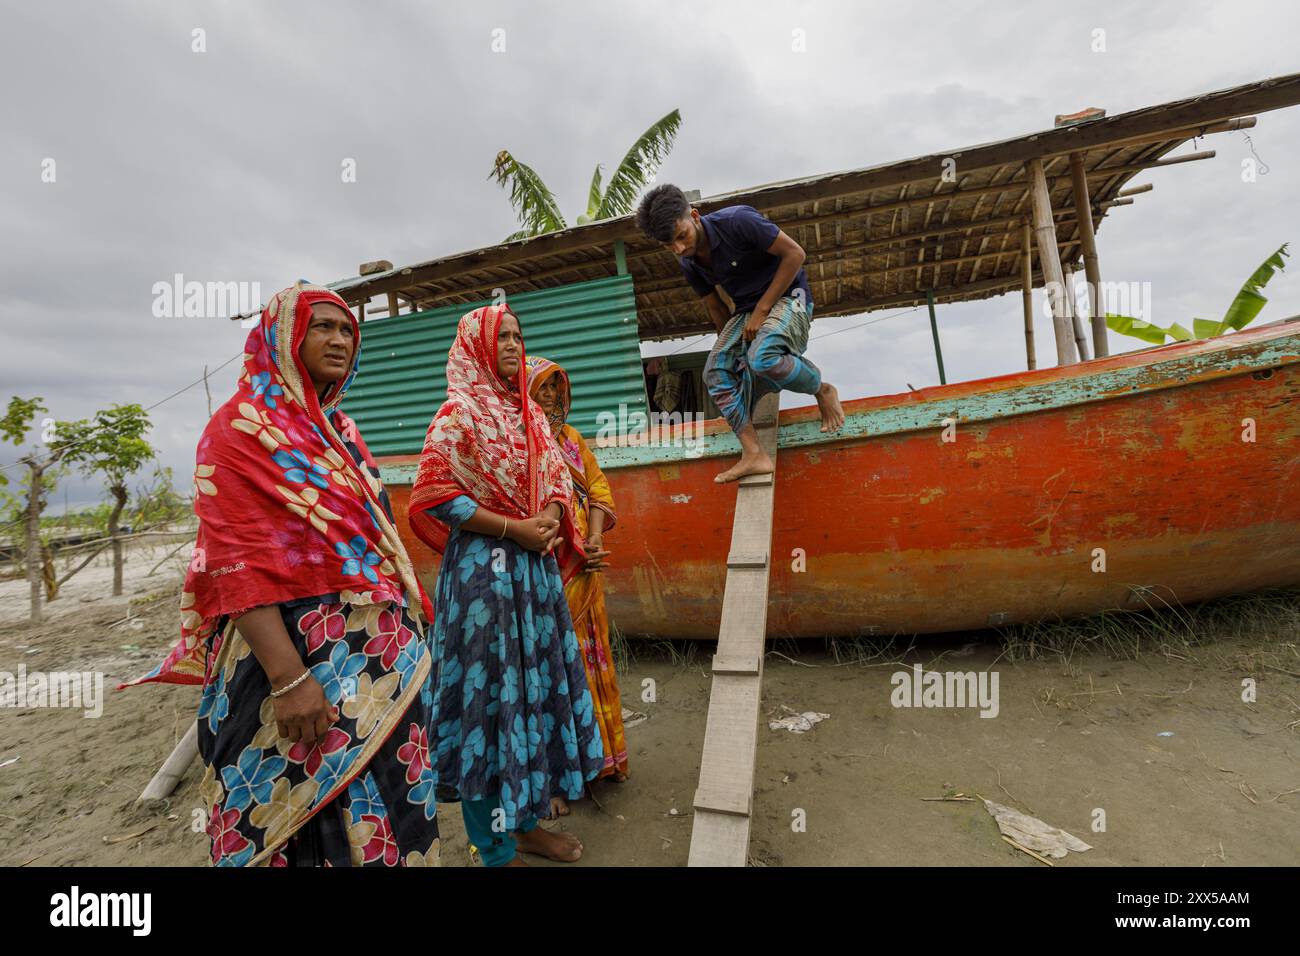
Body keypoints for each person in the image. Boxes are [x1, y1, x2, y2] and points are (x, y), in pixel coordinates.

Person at [125, 281, 439, 867]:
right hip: (290, 656)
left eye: (348, 329)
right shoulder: (237, 431)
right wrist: (291, 679)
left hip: (379, 660)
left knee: (388, 803)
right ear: (283, 337)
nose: (340, 339)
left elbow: (376, 540)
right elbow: (234, 563)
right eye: (322, 326)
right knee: (302, 816)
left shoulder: (341, 433)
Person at [408, 304, 605, 867]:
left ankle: (523, 826)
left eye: (520, 335)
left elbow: (556, 479)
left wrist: (548, 514)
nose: (515, 344)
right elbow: (436, 494)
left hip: (533, 574)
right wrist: (513, 527)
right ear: (476, 345)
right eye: (503, 337)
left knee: (531, 695)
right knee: (488, 704)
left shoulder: (532, 417)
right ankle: (490, 845)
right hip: (483, 579)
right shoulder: (458, 414)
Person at [635, 183, 845, 483]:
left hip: (790, 298)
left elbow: (796, 254)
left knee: (761, 357)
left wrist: (761, 311)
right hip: (745, 313)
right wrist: (732, 353)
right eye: (670, 245)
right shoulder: (689, 262)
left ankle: (821, 388)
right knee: (715, 374)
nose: (679, 248)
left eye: (681, 236)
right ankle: (754, 453)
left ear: (694, 216)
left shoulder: (738, 221)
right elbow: (716, 307)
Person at [526, 355, 627, 817]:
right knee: (552, 671)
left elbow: (599, 490)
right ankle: (557, 778)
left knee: (592, 660)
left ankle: (602, 760)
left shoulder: (572, 440)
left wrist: (594, 537)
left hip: (586, 569)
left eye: (556, 389)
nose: (550, 398)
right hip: (544, 573)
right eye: (542, 388)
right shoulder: (520, 442)